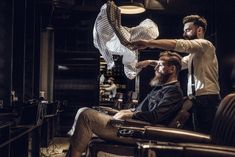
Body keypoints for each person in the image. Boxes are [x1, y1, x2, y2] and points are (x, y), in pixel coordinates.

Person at [67, 52, 183, 157]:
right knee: (84, 111)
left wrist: (129, 115)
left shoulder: (173, 92)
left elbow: (155, 116)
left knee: (86, 115)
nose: (155, 68)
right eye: (156, 65)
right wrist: (122, 112)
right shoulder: (162, 88)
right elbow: (140, 110)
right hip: (134, 124)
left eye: (160, 65)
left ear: (172, 69)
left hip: (139, 131)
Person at [131, 15, 220, 133]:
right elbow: (176, 64)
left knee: (206, 136)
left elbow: (181, 45)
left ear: (199, 30)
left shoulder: (205, 45)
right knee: (196, 132)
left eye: (188, 30)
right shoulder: (193, 56)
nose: (184, 34)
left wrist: (149, 43)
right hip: (195, 99)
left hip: (207, 99)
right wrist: (150, 62)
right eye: (184, 31)